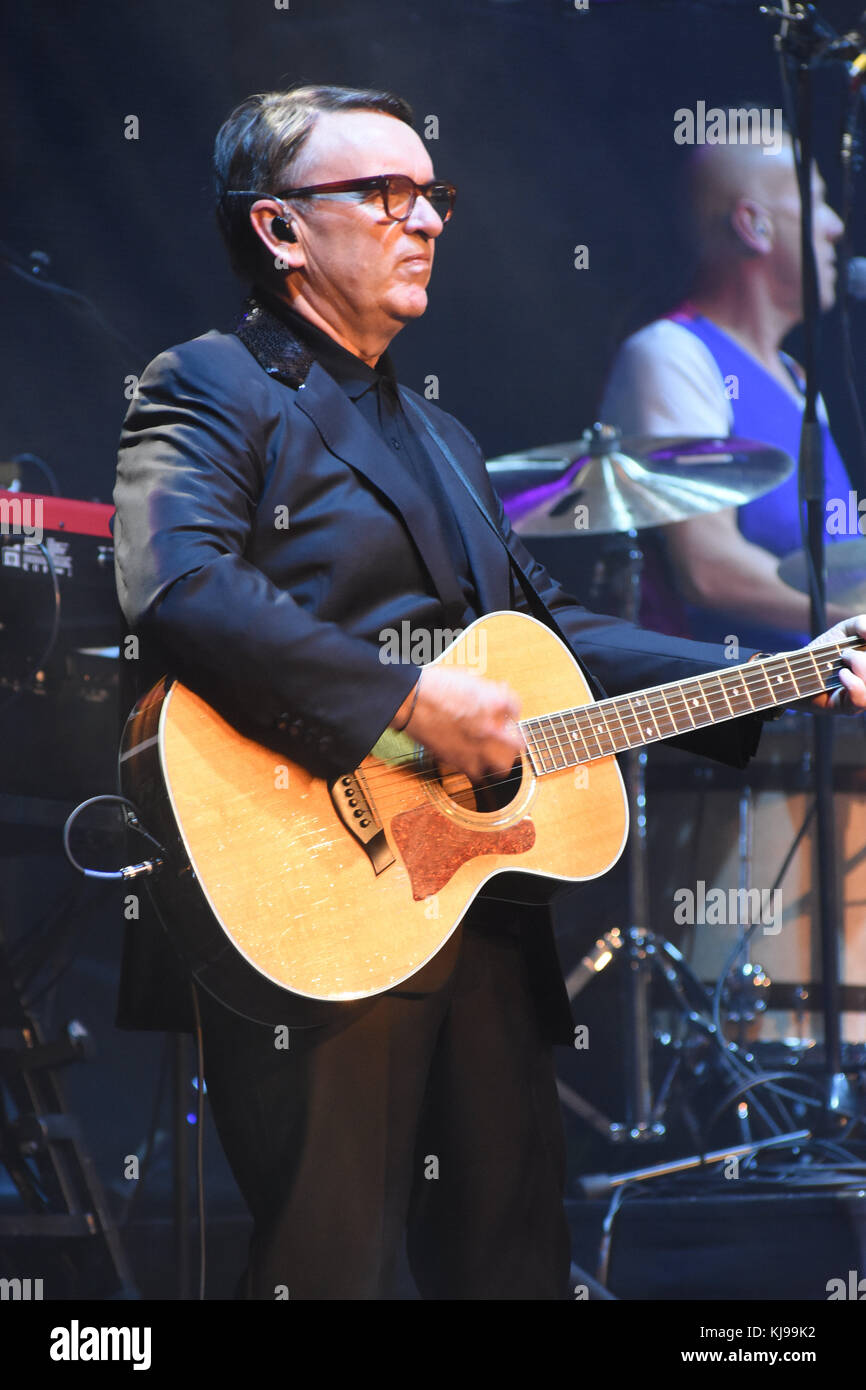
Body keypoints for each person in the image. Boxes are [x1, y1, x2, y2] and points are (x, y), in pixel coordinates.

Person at [112, 85, 866, 1301]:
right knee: (330, 1262)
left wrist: (777, 674)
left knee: (512, 1262)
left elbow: (548, 639)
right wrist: (402, 708)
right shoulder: (209, 383)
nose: (423, 221)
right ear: (278, 230)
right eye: (383, 193)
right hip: (314, 893)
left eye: (432, 196)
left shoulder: (442, 438)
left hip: (478, 902)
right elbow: (180, 585)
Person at [599, 129, 851, 653]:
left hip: (825, 714)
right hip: (731, 718)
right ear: (753, 225)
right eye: (815, 201)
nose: (835, 226)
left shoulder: (797, 378)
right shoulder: (672, 354)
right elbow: (709, 570)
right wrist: (856, 618)